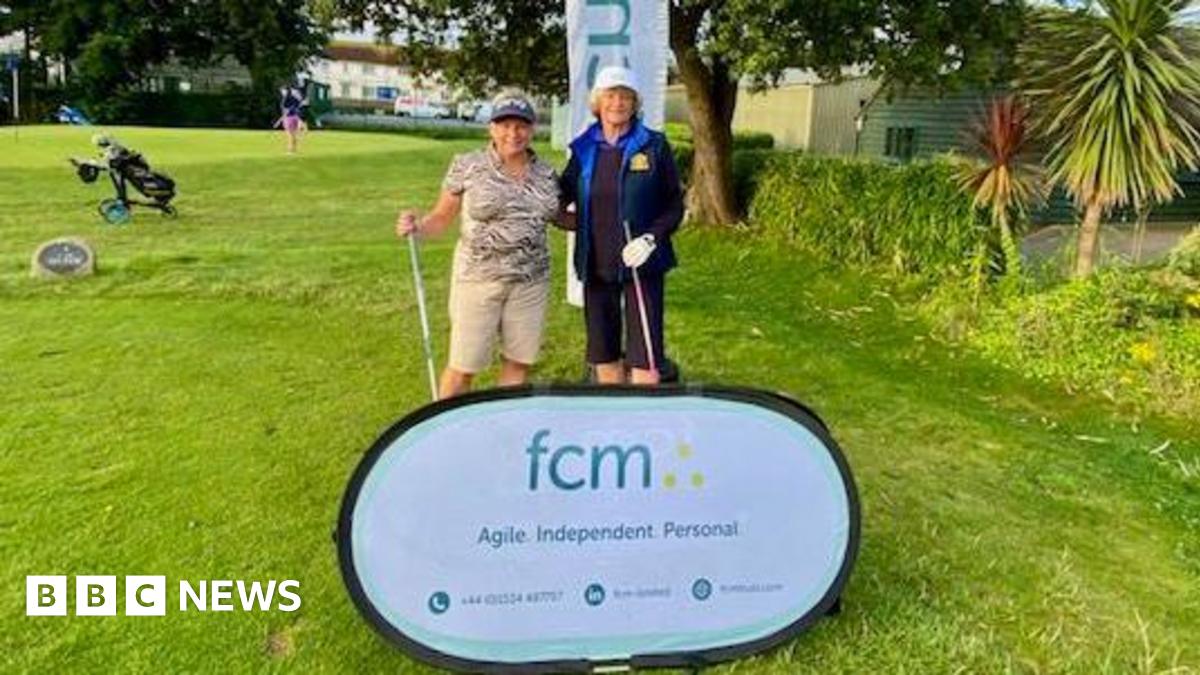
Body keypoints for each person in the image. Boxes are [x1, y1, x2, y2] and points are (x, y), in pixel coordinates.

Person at [395, 89, 560, 399]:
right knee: (463, 365)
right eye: (505, 125)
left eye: (521, 125)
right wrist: (417, 226)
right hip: (477, 279)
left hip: (530, 281)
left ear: (532, 129)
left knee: (519, 362)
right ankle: (445, 429)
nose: (513, 133)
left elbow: (561, 216)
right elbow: (442, 217)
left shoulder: (547, 174)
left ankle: (501, 427)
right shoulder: (467, 165)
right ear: (492, 128)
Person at [560, 66, 684, 385]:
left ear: (635, 103)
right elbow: (559, 199)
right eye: (611, 96)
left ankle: (645, 419)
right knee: (604, 353)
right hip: (597, 263)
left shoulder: (653, 146)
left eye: (626, 96)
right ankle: (613, 416)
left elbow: (674, 206)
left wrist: (650, 240)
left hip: (642, 264)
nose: (618, 103)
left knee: (646, 356)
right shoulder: (584, 148)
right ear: (597, 102)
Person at [279, 82, 308, 154]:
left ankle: (291, 150)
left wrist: (290, 109)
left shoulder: (286, 98)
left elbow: (287, 108)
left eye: (282, 91)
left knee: (290, 135)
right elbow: (299, 105)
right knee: (293, 135)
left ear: (285, 90)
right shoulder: (293, 97)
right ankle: (294, 149)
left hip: (289, 118)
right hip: (295, 117)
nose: (282, 92)